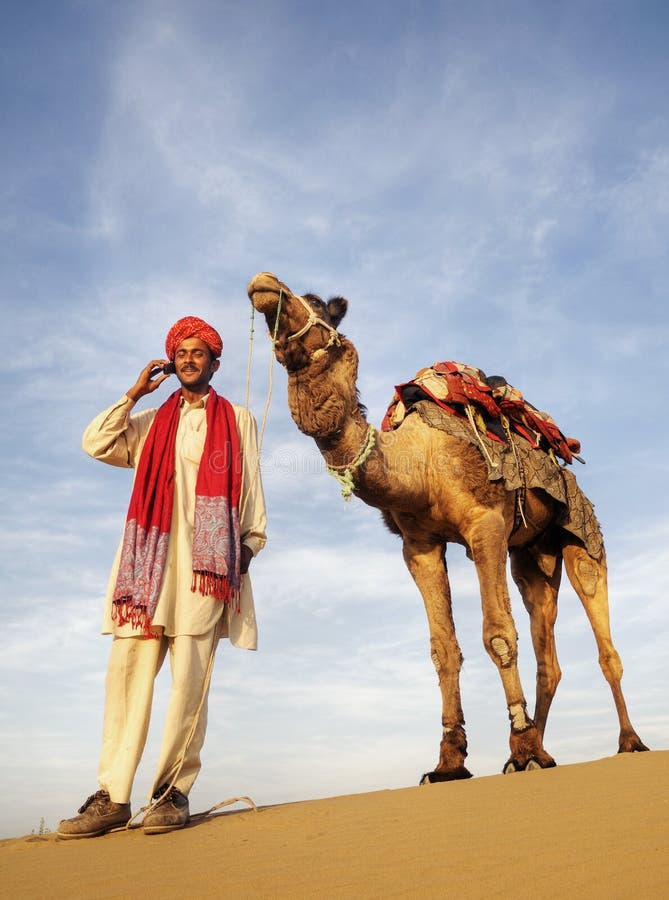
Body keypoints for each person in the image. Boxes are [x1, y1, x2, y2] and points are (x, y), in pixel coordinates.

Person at [58, 316, 267, 838]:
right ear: (171, 362)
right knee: (126, 678)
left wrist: (245, 550)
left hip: (204, 571)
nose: (189, 360)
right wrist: (130, 395)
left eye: (199, 352)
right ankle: (111, 796)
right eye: (182, 352)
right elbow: (96, 443)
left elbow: (250, 495)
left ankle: (172, 792)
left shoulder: (237, 420)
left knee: (189, 684)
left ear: (215, 362)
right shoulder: (150, 422)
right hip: (145, 572)